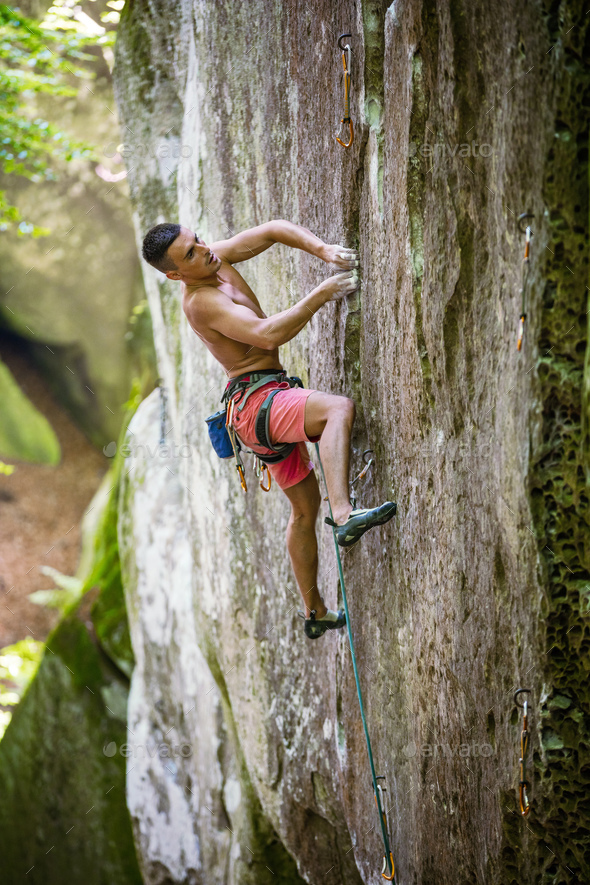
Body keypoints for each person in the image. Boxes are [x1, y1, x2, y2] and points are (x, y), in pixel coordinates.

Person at [141, 220, 396, 639]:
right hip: (259, 404)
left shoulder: (210, 258)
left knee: (302, 511)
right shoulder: (200, 301)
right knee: (337, 410)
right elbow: (266, 334)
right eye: (189, 254)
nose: (202, 250)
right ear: (175, 275)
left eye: (197, 240)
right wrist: (322, 293)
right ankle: (345, 515)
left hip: (256, 406)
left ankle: (314, 612)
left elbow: (272, 230)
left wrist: (324, 250)